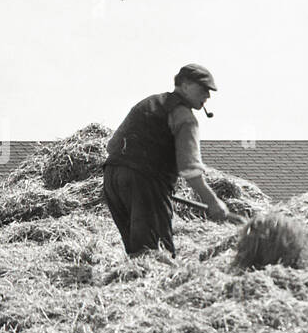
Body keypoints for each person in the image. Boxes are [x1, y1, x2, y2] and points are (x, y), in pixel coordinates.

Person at [102, 63, 238, 256]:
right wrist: (214, 202)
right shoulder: (185, 118)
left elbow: (111, 146)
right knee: (157, 254)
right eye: (203, 89)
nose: (207, 96)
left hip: (111, 180)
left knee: (137, 252)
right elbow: (190, 170)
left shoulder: (147, 103)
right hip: (146, 182)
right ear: (184, 85)